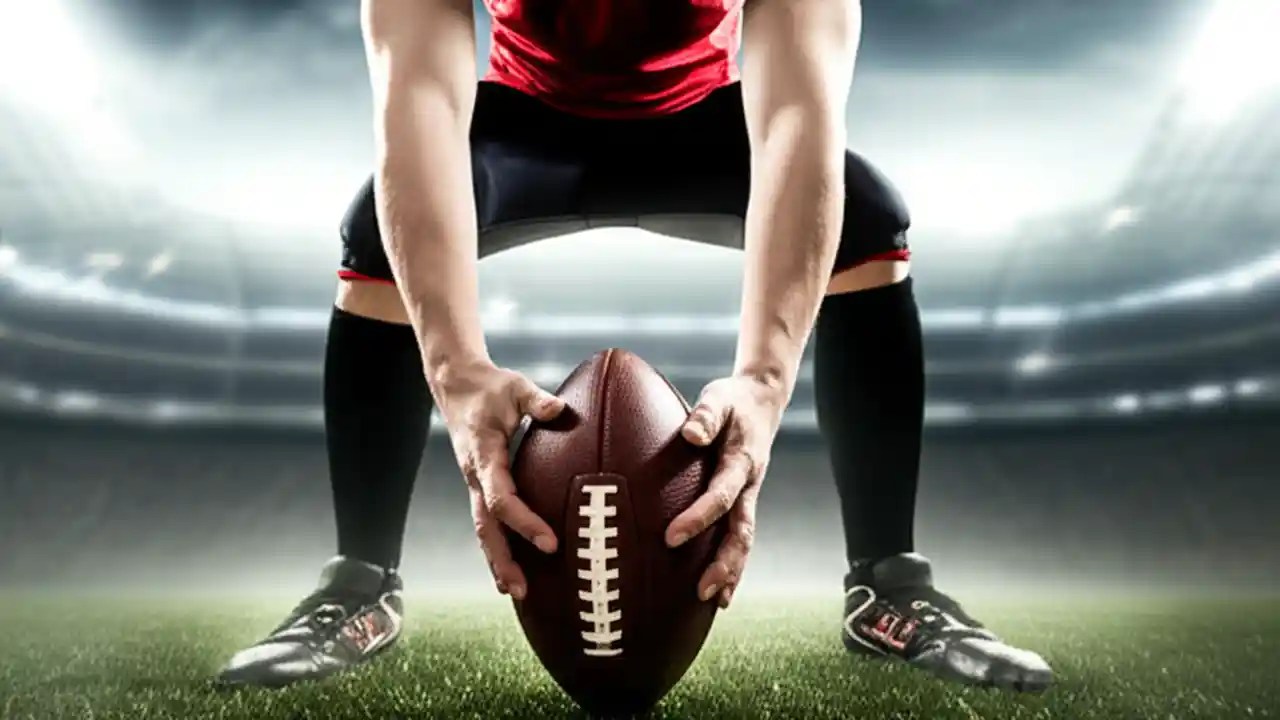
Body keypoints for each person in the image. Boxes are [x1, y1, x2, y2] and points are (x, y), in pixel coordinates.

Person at [217, 0, 1053, 692]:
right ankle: (361, 585)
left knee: (867, 215)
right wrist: (459, 370)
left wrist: (763, 380)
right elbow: (419, 102)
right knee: (377, 232)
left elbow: (799, 110)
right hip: (527, 129)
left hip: (699, 120)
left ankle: (887, 586)